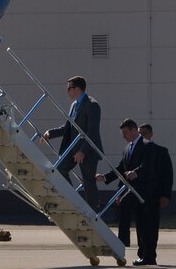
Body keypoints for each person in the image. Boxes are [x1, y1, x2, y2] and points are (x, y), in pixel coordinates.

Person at [41, 76, 103, 210]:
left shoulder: (92, 105)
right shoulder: (74, 105)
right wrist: (50, 133)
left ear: (77, 89)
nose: (67, 91)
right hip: (75, 148)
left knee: (88, 181)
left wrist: (83, 151)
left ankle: (93, 212)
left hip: (88, 150)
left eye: (69, 88)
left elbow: (92, 131)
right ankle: (73, 200)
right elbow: (68, 128)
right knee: (60, 168)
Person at [95, 119, 151, 259]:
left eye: (125, 133)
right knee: (138, 219)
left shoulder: (147, 145)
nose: (123, 136)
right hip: (131, 189)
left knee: (134, 213)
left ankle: (124, 241)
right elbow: (121, 168)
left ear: (134, 130)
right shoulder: (127, 148)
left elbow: (149, 165)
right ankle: (139, 251)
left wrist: (136, 173)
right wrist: (105, 177)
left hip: (143, 188)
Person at [136, 123, 173, 264]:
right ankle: (142, 253)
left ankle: (150, 256)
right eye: (139, 134)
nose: (142, 136)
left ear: (151, 134)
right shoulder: (134, 151)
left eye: (144, 133)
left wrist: (166, 195)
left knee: (151, 226)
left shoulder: (161, 151)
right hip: (138, 195)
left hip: (154, 195)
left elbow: (167, 175)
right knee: (140, 226)